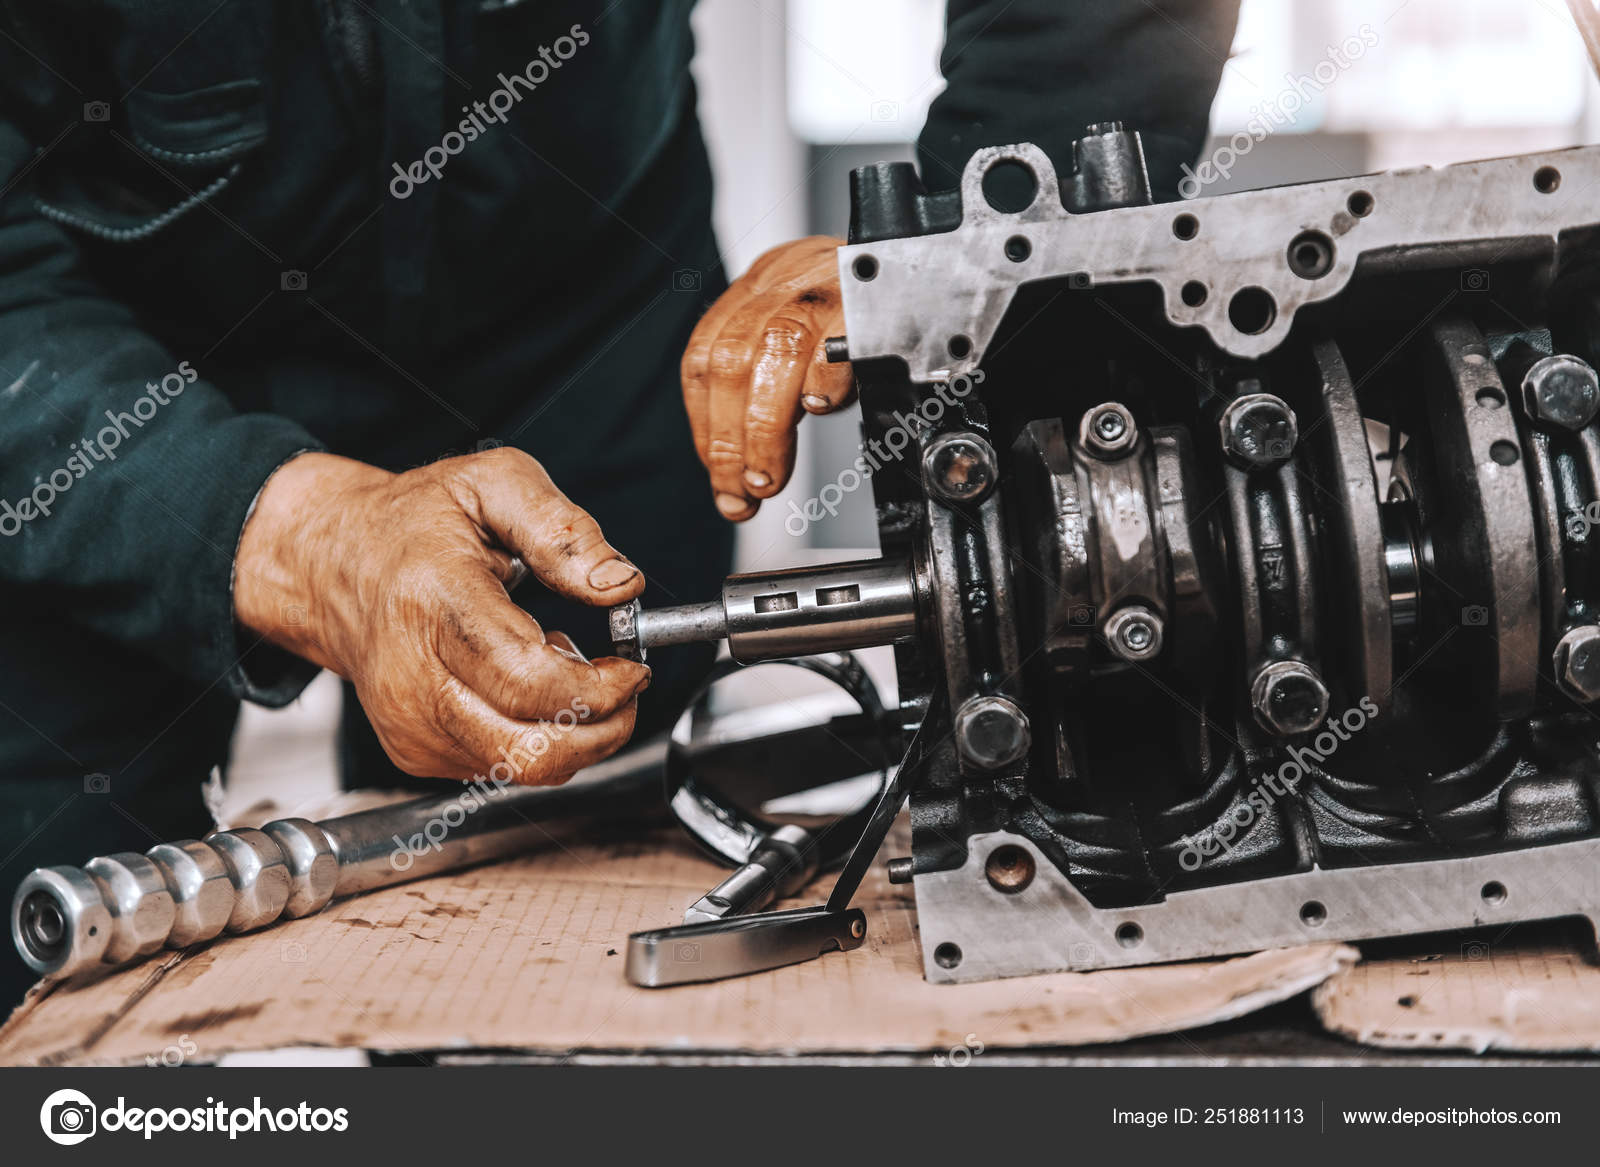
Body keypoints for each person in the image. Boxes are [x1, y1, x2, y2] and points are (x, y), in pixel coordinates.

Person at [0, 0, 1237, 1004]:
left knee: (556, 914)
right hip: (73, 363)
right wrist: (299, 541)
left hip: (575, 306)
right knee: (58, 936)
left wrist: (967, 248)